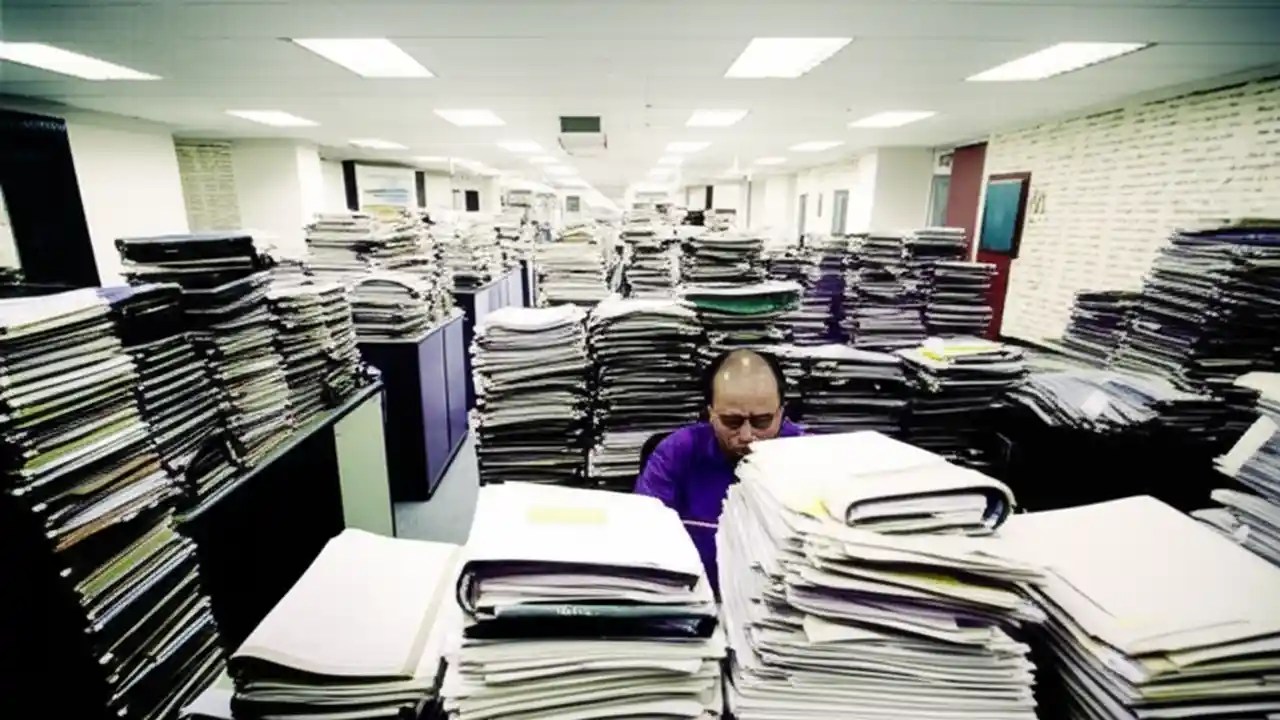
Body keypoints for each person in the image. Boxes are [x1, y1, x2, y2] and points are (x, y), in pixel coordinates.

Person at [634, 349, 803, 593]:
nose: (747, 436)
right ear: (711, 413)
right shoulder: (676, 454)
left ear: (781, 413)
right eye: (732, 422)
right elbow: (643, 542)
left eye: (762, 421)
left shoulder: (813, 459)